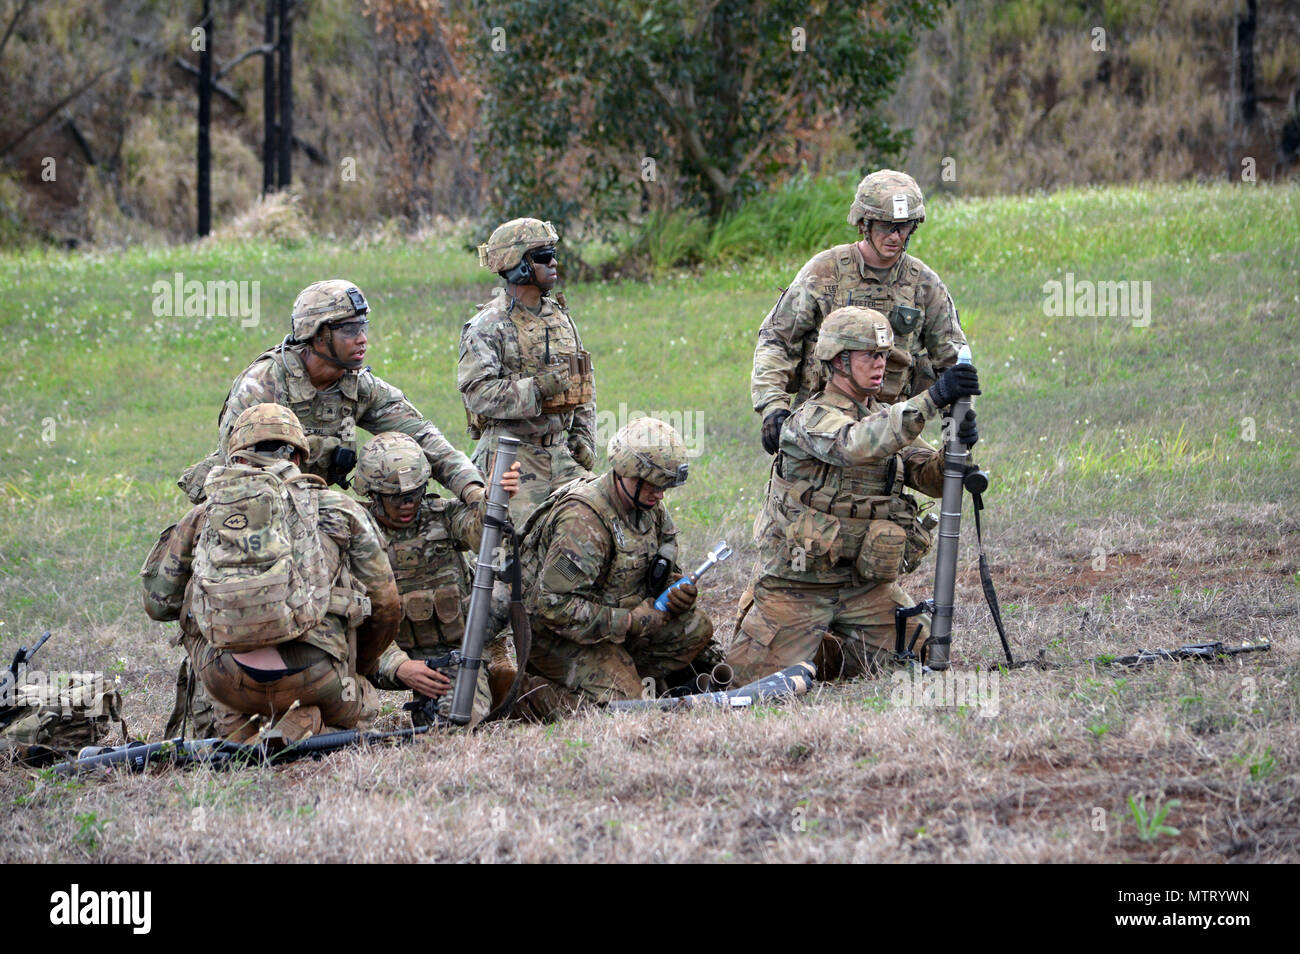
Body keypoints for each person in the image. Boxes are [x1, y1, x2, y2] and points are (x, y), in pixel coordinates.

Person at [726, 307, 980, 684]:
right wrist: (932, 398)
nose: (881, 364)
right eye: (870, 355)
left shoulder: (885, 417)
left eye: (884, 355)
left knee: (922, 657)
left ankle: (832, 648)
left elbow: (931, 479)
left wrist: (955, 450)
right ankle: (813, 644)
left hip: (864, 587)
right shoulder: (809, 419)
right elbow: (855, 444)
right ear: (838, 360)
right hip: (799, 585)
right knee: (748, 682)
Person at [144, 404, 401, 742]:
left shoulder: (204, 515)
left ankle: (234, 722)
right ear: (298, 456)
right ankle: (307, 723)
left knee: (192, 606)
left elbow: (159, 604)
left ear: (237, 458)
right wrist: (356, 667)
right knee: (362, 703)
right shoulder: (339, 509)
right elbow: (386, 605)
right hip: (316, 677)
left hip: (226, 679)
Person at [180, 278, 484, 507]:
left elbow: (424, 438)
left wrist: (472, 489)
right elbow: (236, 470)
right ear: (318, 335)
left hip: (311, 507)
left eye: (363, 327)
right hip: (250, 509)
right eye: (349, 331)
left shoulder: (358, 386)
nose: (362, 339)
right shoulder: (263, 385)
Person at [750, 169, 968, 454]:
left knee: (936, 471)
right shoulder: (824, 272)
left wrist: (958, 424)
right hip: (820, 422)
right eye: (886, 226)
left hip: (891, 426)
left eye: (904, 227)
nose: (895, 236)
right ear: (865, 223)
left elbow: (952, 362)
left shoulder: (924, 284)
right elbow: (776, 339)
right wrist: (773, 406)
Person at [513, 418, 716, 720]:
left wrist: (674, 590)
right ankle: (523, 693)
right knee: (627, 708)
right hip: (556, 638)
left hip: (612, 626)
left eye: (664, 486)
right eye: (654, 485)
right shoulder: (583, 521)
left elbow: (657, 564)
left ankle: (622, 673)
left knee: (694, 628)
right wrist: (630, 622)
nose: (660, 495)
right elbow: (553, 607)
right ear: (628, 473)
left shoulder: (648, 508)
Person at [354, 432, 520, 727]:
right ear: (373, 494)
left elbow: (481, 534)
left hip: (447, 653)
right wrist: (400, 666)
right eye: (396, 497)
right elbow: (352, 622)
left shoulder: (442, 516)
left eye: (415, 493)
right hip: (377, 656)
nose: (408, 504)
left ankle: (493, 658)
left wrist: (493, 498)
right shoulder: (355, 531)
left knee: (457, 724)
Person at [459, 218, 596, 526]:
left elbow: (584, 382)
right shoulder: (488, 325)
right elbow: (477, 394)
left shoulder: (560, 318)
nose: (554, 263)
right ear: (517, 264)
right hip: (510, 461)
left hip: (562, 456)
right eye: (543, 257)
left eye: (553, 255)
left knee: (596, 520)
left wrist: (584, 439)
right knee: (518, 542)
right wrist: (537, 389)